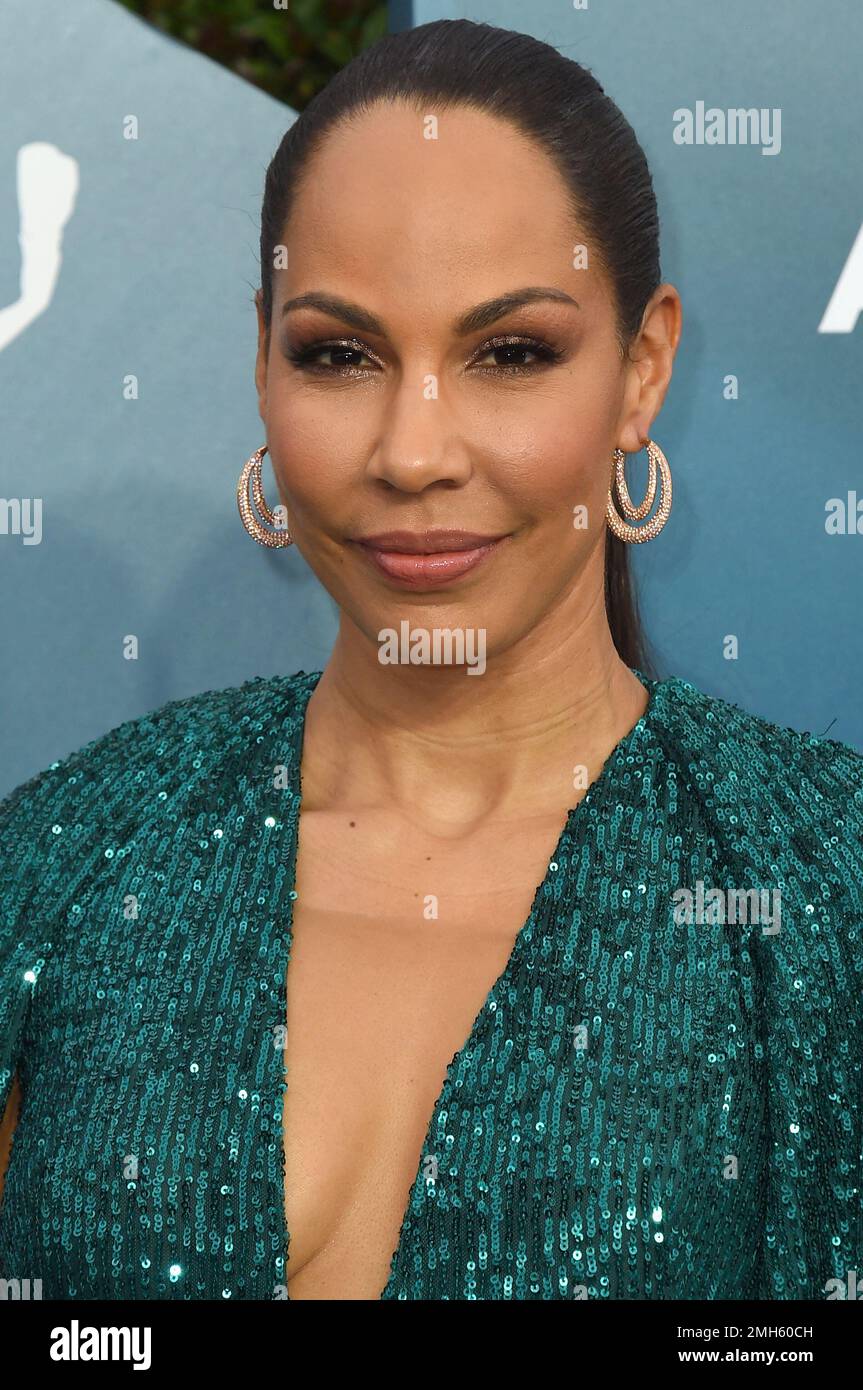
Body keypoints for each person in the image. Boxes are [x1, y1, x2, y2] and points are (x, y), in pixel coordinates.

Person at [1, 18, 860, 1302]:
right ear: (261, 361)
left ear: (641, 369)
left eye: (509, 353)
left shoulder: (819, 884)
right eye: (338, 354)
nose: (412, 452)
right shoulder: (70, 858)